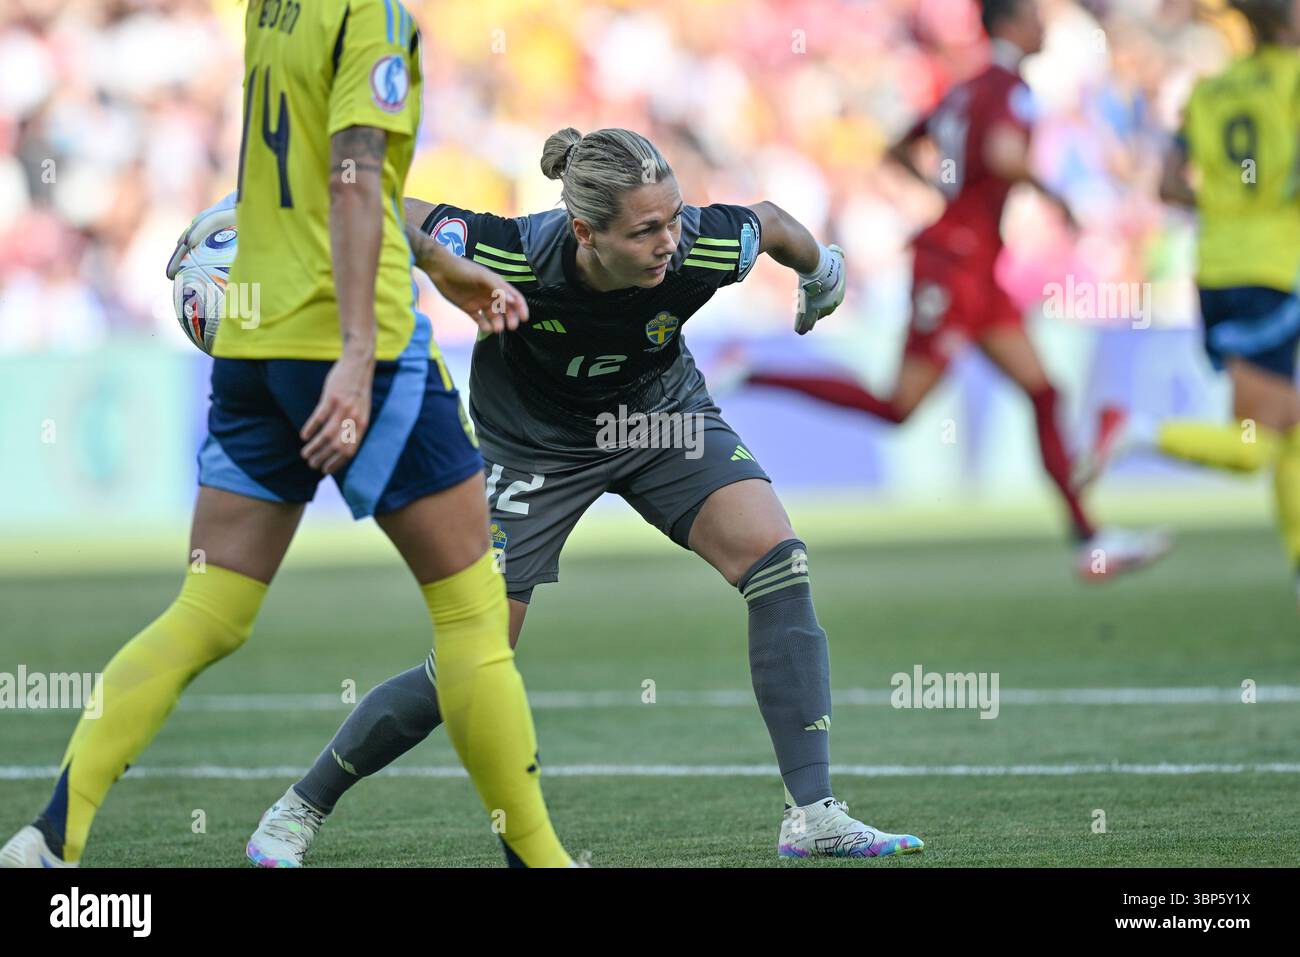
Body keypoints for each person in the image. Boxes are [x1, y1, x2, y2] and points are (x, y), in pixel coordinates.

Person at [245, 126, 925, 865]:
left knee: (778, 561)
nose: (671, 241)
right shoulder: (506, 249)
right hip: (534, 444)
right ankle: (301, 805)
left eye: (673, 217)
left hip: (657, 417)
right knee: (472, 658)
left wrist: (823, 271)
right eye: (646, 230)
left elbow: (774, 224)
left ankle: (814, 814)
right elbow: (379, 206)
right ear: (584, 233)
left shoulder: (701, 241)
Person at [0, 0, 574, 869]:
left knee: (209, 608)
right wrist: (352, 352)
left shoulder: (277, 10)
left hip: (252, 338)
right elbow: (350, 175)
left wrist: (440, 257)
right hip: (352, 335)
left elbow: (312, 174)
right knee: (470, 607)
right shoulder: (371, 19)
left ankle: (51, 835)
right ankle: (539, 860)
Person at [733, 0, 1171, 581]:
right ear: (1011, 24)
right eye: (1036, 16)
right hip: (955, 267)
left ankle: (1090, 541)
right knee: (902, 407)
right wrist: (1055, 196)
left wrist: (948, 199)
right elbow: (1003, 155)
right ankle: (751, 371)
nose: (1044, 25)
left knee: (1043, 392)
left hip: (975, 266)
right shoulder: (1011, 87)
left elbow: (898, 148)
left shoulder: (966, 89)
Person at [1154, 0, 1300, 600]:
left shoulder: (1206, 90)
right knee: (1258, 440)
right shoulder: (1291, 79)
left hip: (1216, 267)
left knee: (1289, 426)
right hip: (1272, 268)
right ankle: (1136, 431)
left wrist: (1225, 207)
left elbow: (1166, 184)